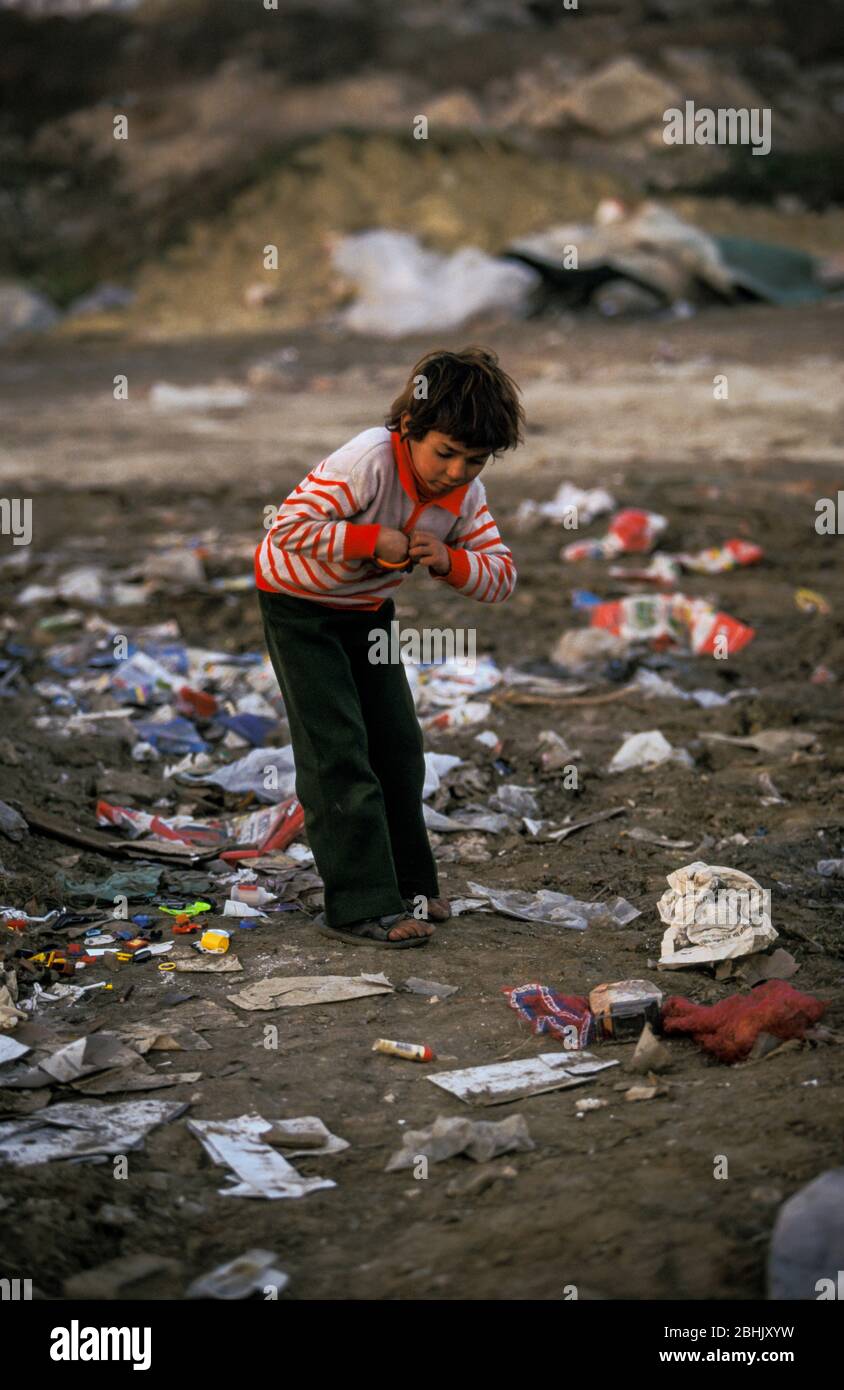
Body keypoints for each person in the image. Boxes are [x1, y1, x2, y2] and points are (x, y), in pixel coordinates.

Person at [255, 346, 523, 947]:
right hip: (300, 608)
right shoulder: (367, 462)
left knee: (398, 745)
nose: (456, 472)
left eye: (474, 462)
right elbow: (287, 529)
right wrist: (372, 539)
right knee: (338, 750)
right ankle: (356, 905)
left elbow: (501, 576)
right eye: (445, 454)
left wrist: (453, 561)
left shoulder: (464, 498)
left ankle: (410, 887)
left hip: (367, 613)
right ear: (410, 428)